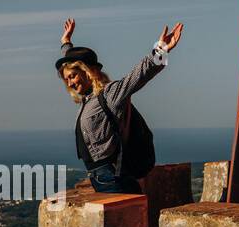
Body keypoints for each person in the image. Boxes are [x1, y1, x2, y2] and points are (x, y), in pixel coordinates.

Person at [56, 16, 183, 194]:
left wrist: (160, 50)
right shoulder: (88, 98)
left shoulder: (109, 95)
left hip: (112, 178)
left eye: (73, 76)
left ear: (87, 72)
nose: (69, 83)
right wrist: (66, 42)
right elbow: (72, 62)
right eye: (66, 78)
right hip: (99, 178)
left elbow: (138, 76)